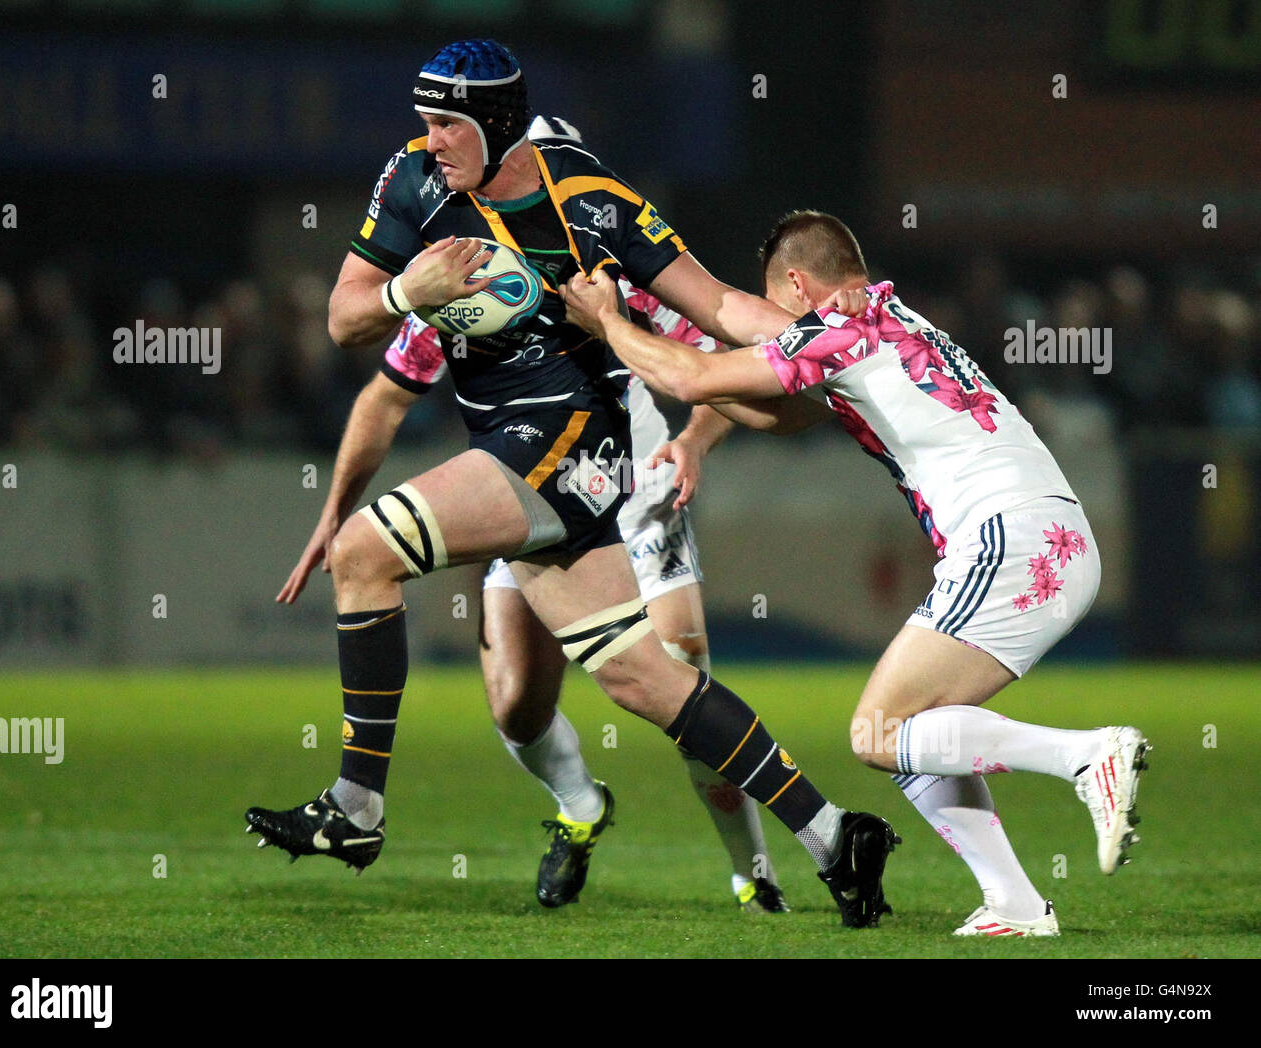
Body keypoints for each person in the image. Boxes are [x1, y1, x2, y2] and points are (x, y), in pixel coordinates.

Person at [246, 41, 899, 928]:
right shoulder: (410, 181)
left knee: (367, 551)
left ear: (502, 124)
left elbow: (715, 306)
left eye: (449, 124)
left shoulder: (589, 202)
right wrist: (409, 288)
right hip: (519, 454)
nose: (430, 140)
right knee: (643, 680)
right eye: (427, 121)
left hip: (570, 439)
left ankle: (357, 808)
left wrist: (818, 336)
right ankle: (833, 836)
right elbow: (344, 317)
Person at [561, 209, 1150, 937]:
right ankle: (1016, 904)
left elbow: (689, 376)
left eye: (777, 304)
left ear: (799, 285)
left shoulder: (833, 330)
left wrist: (609, 324)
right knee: (916, 728)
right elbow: (787, 415)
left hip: (1010, 540)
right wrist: (700, 433)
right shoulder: (885, 314)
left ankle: (1086, 757)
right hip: (1047, 535)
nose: (777, 324)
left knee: (877, 730)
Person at [278, 279, 800, 913]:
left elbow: (720, 372)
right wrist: (334, 513)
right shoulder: (474, 288)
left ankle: (754, 873)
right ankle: (582, 804)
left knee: (683, 682)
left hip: (639, 503)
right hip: (534, 497)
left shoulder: (620, 277)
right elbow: (386, 398)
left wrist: (690, 441)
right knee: (517, 705)